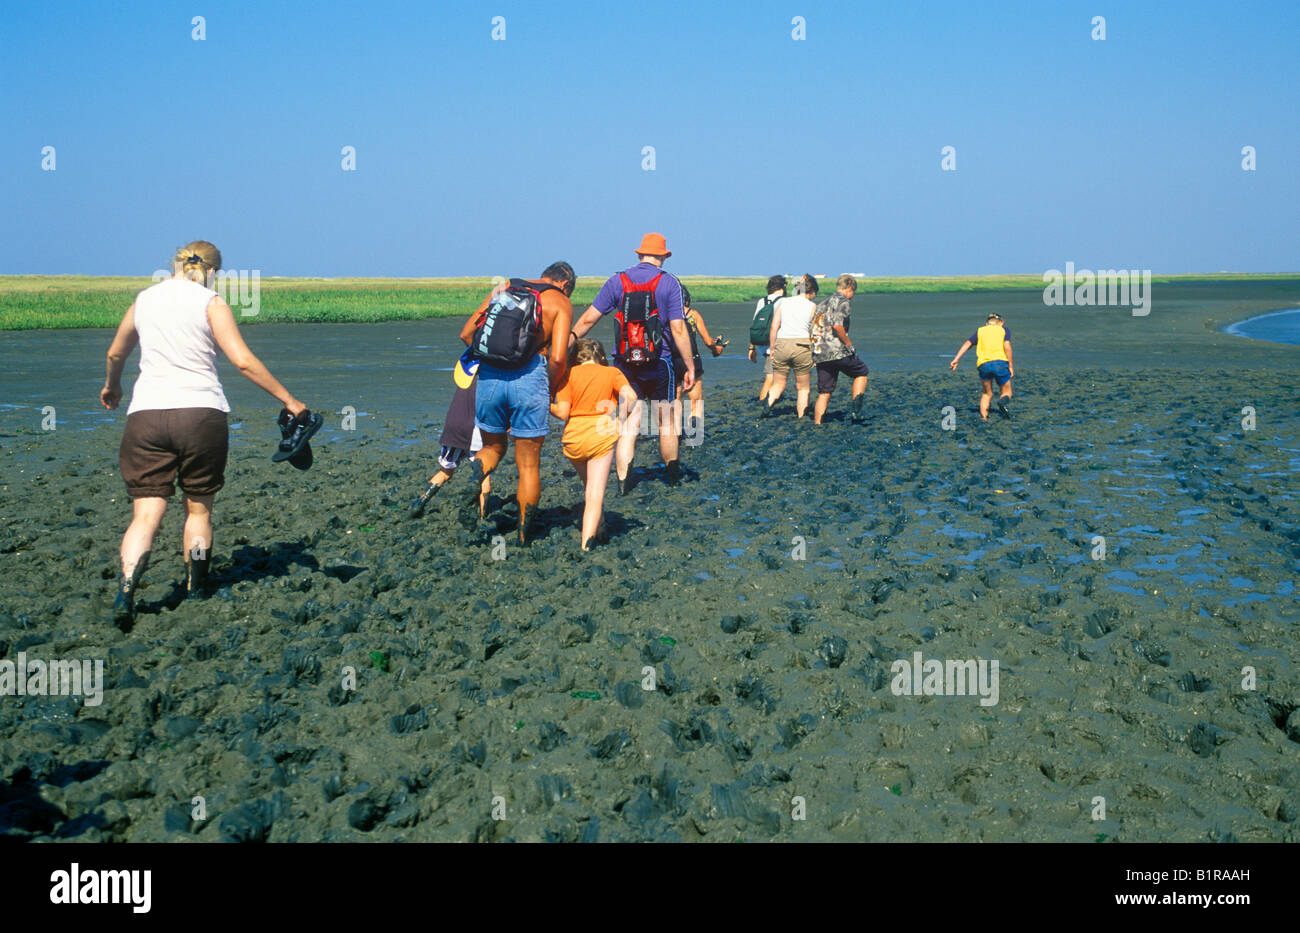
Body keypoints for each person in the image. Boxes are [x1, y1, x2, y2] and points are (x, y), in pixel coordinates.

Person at [100, 241, 312, 629]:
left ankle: (127, 589)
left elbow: (116, 353)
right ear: (213, 272)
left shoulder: (144, 300)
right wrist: (290, 401)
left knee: (146, 514)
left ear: (175, 266)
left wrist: (112, 387)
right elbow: (243, 361)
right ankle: (196, 585)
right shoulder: (211, 302)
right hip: (200, 415)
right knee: (198, 509)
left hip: (145, 416)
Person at [458, 261, 575, 544]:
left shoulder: (505, 287)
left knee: (492, 447)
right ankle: (523, 535)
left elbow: (466, 335)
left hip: (489, 378)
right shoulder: (559, 301)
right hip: (530, 379)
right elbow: (558, 358)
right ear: (566, 284)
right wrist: (548, 388)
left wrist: (494, 361)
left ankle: (478, 471)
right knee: (528, 466)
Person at [570, 233, 696, 491]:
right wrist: (690, 365)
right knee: (667, 421)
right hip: (660, 362)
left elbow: (588, 319)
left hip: (624, 364)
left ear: (639, 254)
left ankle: (623, 483)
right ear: (663, 255)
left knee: (629, 423)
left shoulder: (616, 281)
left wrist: (568, 342)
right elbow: (679, 329)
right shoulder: (669, 283)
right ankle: (672, 478)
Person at [549, 339, 638, 550]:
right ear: (600, 356)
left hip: (573, 439)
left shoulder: (567, 375)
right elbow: (632, 397)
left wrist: (545, 404)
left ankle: (600, 528)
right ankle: (586, 545)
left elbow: (562, 413)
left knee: (589, 486)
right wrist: (620, 420)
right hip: (600, 436)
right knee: (594, 495)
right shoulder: (611, 373)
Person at [409, 351, 490, 518]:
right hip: (474, 432)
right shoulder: (489, 382)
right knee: (484, 474)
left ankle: (420, 502)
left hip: (453, 428)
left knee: (446, 471)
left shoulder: (466, 378)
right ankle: (483, 515)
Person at [811, 275, 870, 424]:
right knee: (862, 372)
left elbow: (813, 327)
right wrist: (849, 345)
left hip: (821, 352)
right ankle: (856, 412)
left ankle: (818, 423)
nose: (852, 296)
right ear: (849, 288)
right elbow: (838, 326)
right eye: (853, 293)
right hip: (837, 350)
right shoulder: (843, 302)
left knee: (825, 392)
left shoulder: (822, 304)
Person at [762, 274, 818, 419]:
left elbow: (774, 327)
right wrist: (816, 353)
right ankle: (801, 416)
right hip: (802, 345)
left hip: (782, 343)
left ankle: (766, 410)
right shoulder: (812, 306)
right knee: (803, 387)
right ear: (811, 292)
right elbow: (815, 331)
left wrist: (772, 348)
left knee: (778, 385)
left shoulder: (784, 303)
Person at [672, 285, 726, 424]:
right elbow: (708, 342)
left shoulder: (666, 314)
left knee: (675, 399)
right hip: (692, 359)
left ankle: (675, 434)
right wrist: (717, 349)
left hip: (672, 360)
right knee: (695, 402)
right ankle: (694, 436)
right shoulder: (693, 314)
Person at [949, 312, 1015, 420]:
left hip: (983, 364)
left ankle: (984, 418)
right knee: (1007, 391)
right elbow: (1007, 346)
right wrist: (1011, 365)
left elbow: (967, 344)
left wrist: (956, 359)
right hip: (1000, 363)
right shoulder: (1004, 330)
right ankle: (1002, 403)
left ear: (986, 324)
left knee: (986, 393)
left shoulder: (980, 331)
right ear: (1001, 323)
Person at [748, 275, 786, 404]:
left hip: (763, 344)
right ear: (783, 286)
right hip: (776, 345)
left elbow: (755, 325)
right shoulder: (784, 301)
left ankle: (771, 399)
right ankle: (763, 402)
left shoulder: (761, 301)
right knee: (771, 377)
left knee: (775, 376)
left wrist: (751, 348)